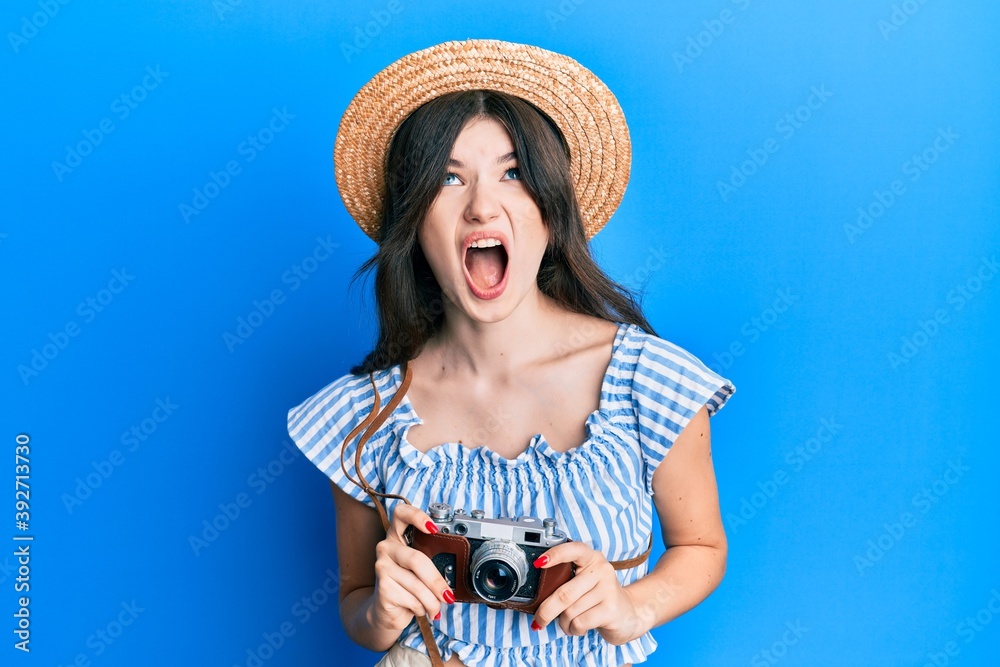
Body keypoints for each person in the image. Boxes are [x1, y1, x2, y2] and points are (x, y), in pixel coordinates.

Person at [287, 39, 736, 667]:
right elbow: (357, 606)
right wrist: (381, 610)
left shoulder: (647, 380)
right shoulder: (364, 416)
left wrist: (632, 607)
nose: (481, 206)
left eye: (513, 173)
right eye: (447, 178)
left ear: (551, 211)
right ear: (414, 223)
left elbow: (702, 547)